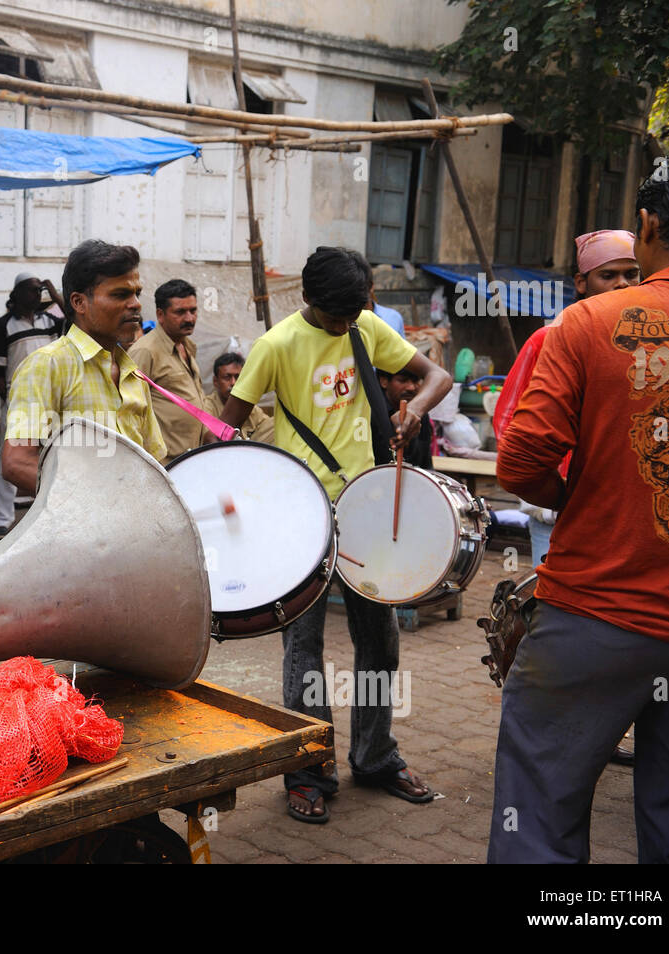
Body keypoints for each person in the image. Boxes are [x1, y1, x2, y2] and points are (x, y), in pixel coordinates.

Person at [488, 143, 669, 864]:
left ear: (649, 223)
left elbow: (521, 462)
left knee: (541, 817)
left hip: (594, 617)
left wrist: (582, 497)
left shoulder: (589, 324)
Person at [218, 246, 452, 824]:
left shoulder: (365, 326)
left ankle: (375, 756)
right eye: (336, 317)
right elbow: (228, 425)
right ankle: (306, 767)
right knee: (306, 648)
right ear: (308, 300)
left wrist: (414, 409)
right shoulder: (275, 346)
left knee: (380, 642)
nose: (346, 326)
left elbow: (437, 376)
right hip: (302, 515)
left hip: (367, 508)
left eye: (354, 314)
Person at [492, 230, 640, 564]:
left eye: (631, 274)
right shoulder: (549, 339)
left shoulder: (649, 347)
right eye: (608, 275)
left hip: (623, 511)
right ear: (582, 282)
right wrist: (548, 492)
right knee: (554, 601)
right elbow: (507, 420)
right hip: (556, 508)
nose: (622, 284)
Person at [2, 240, 165, 492]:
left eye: (137, 294)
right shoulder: (47, 365)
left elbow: (154, 463)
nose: (136, 304)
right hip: (77, 529)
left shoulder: (134, 375)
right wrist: (93, 506)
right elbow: (17, 463)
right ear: (79, 303)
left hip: (132, 528)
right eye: (120, 294)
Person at [0, 273, 65, 539]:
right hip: (20, 404)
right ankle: (1, 520)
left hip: (52, 403)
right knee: (10, 460)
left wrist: (54, 294)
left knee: (54, 456)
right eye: (32, 290)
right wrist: (9, 399)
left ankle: (50, 512)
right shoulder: (3, 326)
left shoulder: (51, 321)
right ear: (16, 293)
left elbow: (78, 321)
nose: (36, 294)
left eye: (40, 290)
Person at [128, 279, 208, 462]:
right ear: (160, 314)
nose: (189, 318)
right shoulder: (145, 351)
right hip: (164, 463)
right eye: (180, 312)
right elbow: (130, 411)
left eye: (193, 311)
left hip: (192, 457)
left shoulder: (187, 346)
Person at [202, 351, 274, 444]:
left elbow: (267, 427)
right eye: (227, 377)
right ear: (216, 381)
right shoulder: (206, 406)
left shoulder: (248, 407)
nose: (233, 383)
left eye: (238, 377)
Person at [376, 368, 432, 468]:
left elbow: (426, 463)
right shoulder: (372, 415)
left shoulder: (421, 415)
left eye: (416, 381)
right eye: (403, 380)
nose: (411, 387)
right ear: (384, 381)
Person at [368, 274, 407, 339]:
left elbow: (402, 348)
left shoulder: (393, 317)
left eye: (360, 287)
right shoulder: (348, 324)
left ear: (371, 286)